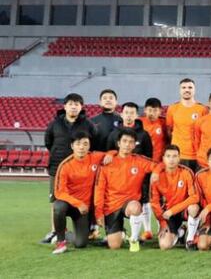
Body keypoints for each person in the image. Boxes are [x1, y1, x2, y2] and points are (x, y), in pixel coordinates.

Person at [42, 93, 97, 245]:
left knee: (88, 197)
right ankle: (56, 231)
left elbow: (95, 141)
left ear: (81, 107)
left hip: (83, 168)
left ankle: (87, 228)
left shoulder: (88, 124)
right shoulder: (55, 124)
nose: (73, 106)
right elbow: (48, 142)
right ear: (65, 106)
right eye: (71, 104)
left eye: (77, 104)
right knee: (56, 200)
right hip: (57, 167)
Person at [94, 128, 155, 251]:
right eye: (125, 141)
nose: (127, 144)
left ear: (134, 145)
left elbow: (159, 165)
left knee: (135, 207)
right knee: (114, 246)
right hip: (111, 206)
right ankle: (121, 232)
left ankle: (134, 239)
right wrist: (99, 212)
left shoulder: (140, 160)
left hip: (130, 203)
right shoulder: (107, 162)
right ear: (118, 143)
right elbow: (99, 190)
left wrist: (156, 173)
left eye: (131, 142)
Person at [51, 132, 107, 254]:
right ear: (72, 146)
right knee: (58, 206)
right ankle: (60, 242)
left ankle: (67, 235)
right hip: (70, 204)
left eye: (85, 144)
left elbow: (114, 154)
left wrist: (110, 156)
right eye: (78, 144)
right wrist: (78, 203)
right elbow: (59, 192)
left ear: (89, 146)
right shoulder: (65, 165)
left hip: (84, 209)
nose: (81, 147)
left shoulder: (95, 157)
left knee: (80, 244)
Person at [106, 102, 153, 240]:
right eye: (126, 112)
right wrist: (110, 153)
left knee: (144, 201)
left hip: (140, 174)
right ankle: (118, 231)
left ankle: (147, 230)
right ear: (121, 114)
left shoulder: (143, 134)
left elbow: (148, 155)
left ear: (136, 115)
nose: (129, 115)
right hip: (119, 176)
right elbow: (108, 152)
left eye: (132, 113)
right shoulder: (114, 134)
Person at [150, 144, 200, 251]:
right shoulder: (157, 176)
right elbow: (154, 203)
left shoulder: (186, 172)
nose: (171, 159)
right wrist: (162, 222)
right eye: (168, 156)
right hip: (167, 214)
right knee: (164, 245)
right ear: (163, 158)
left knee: (194, 207)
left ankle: (189, 240)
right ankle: (181, 232)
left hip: (182, 210)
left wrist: (173, 210)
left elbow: (195, 197)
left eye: (174, 156)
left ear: (179, 158)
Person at [166, 78, 207, 171]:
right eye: (184, 87)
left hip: (198, 155)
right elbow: (169, 130)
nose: (187, 90)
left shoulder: (202, 109)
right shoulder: (172, 108)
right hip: (179, 154)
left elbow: (205, 132)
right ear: (180, 90)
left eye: (190, 87)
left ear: (194, 90)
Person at [140, 97, 167, 164]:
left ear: (160, 111)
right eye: (150, 110)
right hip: (142, 161)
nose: (152, 113)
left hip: (159, 161)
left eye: (155, 110)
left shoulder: (164, 123)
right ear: (145, 110)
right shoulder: (138, 122)